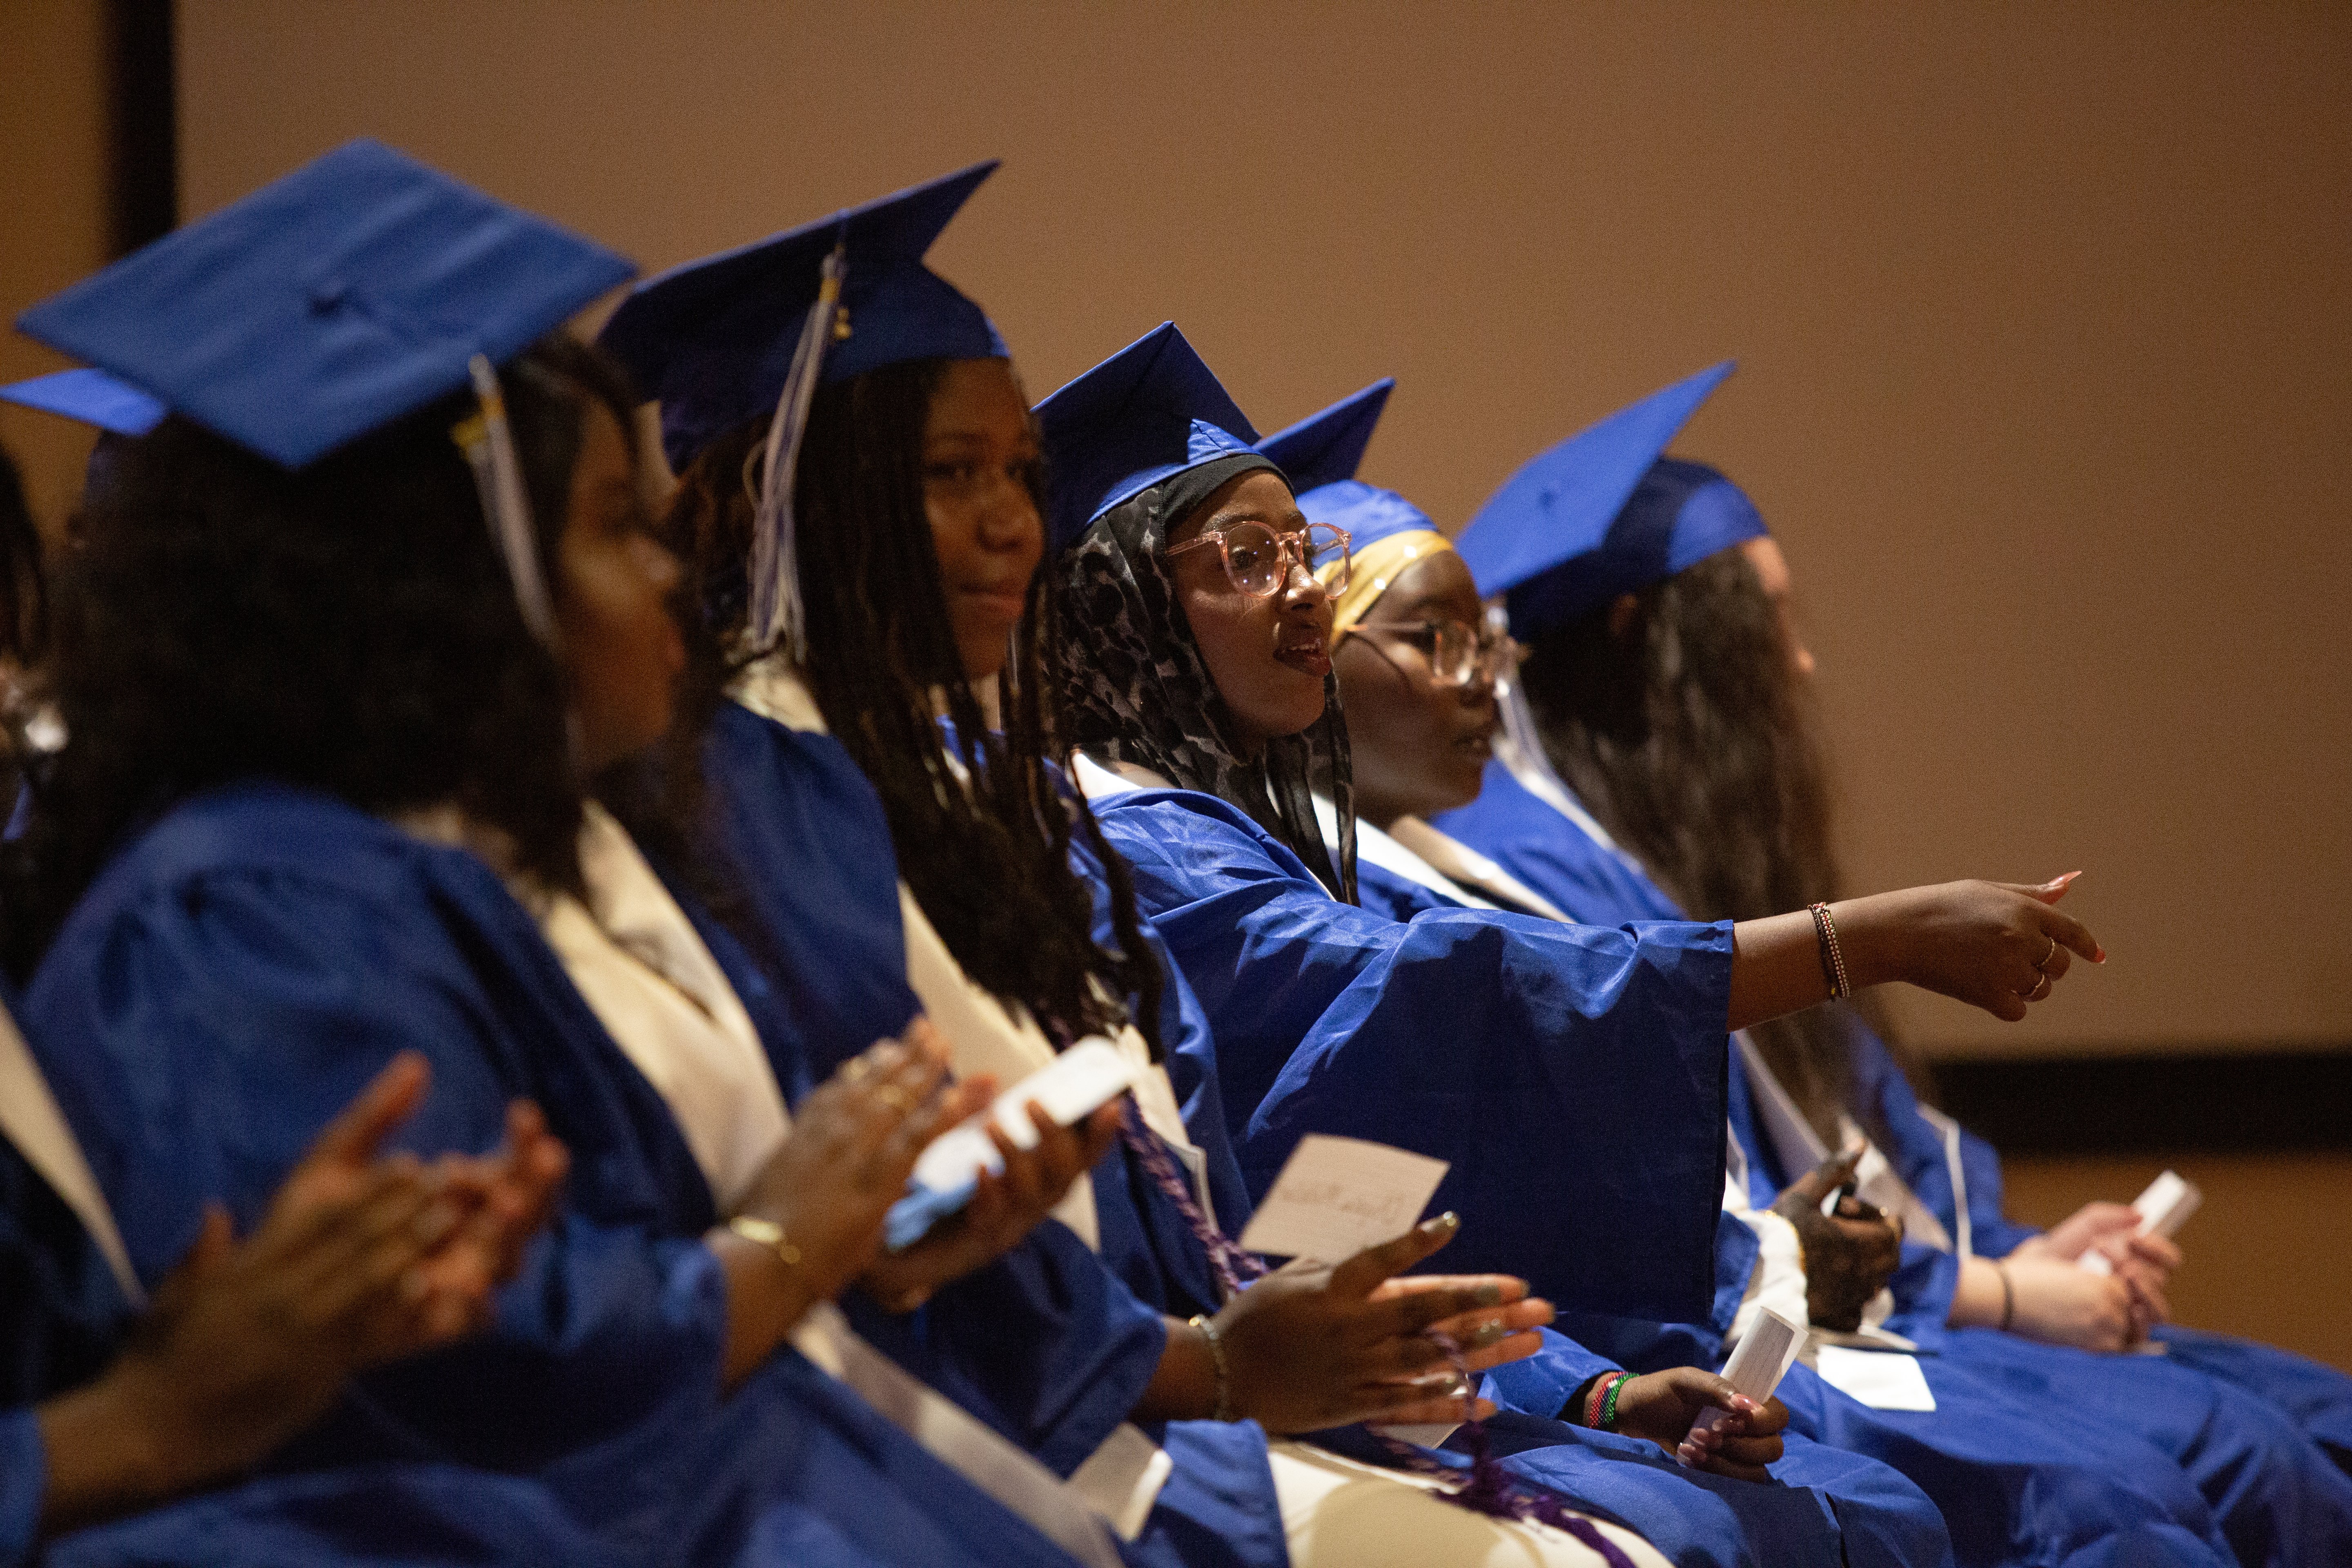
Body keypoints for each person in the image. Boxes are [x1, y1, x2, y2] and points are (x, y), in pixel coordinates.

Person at [605, 162, 1766, 1568]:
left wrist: (1560, 1380)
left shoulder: (1014, 818)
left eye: (1019, 478)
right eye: (950, 474)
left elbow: (1226, 1211)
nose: (1006, 523)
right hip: (991, 1444)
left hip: (1181, 1399)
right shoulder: (759, 816)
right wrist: (1214, 1369)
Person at [7, 140, 1128, 1568]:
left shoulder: (424, 861)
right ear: (454, 574)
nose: (670, 568)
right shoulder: (257, 914)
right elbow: (441, 1387)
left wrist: (864, 1246)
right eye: (613, 524)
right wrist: (780, 1254)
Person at [1430, 361, 2352, 1565]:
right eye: (1766, 625)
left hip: (1886, 1307)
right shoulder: (1536, 880)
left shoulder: (1681, 858)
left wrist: (2019, 1254)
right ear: (1642, 641)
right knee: (2178, 1484)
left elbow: (1873, 1136)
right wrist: (2002, 1297)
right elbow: (1704, 1226)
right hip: (1756, 1340)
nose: (1799, 668)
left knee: (2319, 1426)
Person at [1036, 322, 2100, 1341]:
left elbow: (1369, 1200)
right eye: (1249, 559)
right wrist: (1864, 941)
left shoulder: (1253, 837)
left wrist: (1587, 1394)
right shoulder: (1143, 848)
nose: (1307, 591)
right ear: (1118, 611)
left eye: (1305, 550)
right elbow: (1450, 1009)